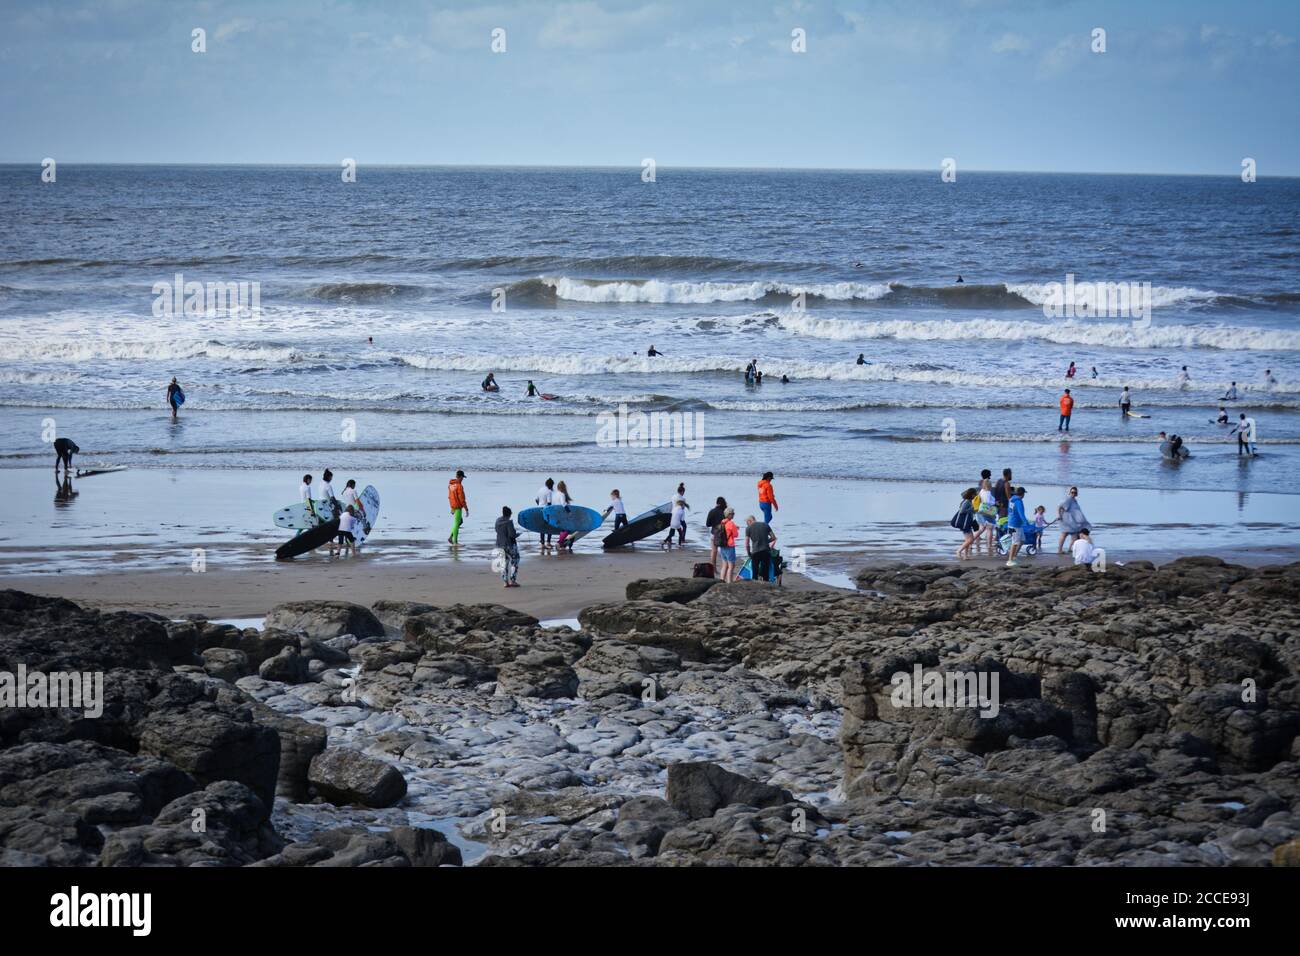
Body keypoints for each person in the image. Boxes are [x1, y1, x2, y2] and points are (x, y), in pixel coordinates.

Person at [744, 514, 777, 582]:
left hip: (755, 552)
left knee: (755, 572)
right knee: (765, 572)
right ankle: (766, 584)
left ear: (749, 521)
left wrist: (748, 552)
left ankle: (755, 584)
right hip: (765, 551)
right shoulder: (765, 525)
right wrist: (765, 541)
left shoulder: (748, 528)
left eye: (747, 523)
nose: (747, 525)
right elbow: (773, 537)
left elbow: (747, 543)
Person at [1057, 486, 1088, 554]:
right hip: (1066, 520)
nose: (1073, 493)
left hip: (1071, 521)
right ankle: (1059, 550)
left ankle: (1070, 549)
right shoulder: (1068, 499)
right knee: (1064, 534)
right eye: (1072, 492)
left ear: (1076, 494)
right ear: (1070, 493)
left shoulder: (1074, 500)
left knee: (1074, 535)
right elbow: (1059, 506)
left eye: (1075, 492)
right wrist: (1059, 515)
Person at [495, 506, 520, 587]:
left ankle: (505, 582)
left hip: (499, 544)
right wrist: (517, 534)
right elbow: (512, 535)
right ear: (509, 514)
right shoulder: (509, 522)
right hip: (509, 545)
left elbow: (496, 530)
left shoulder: (498, 521)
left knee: (504, 563)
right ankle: (513, 580)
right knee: (515, 561)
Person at [1004, 486, 1029, 566]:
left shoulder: (1011, 499)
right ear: (1022, 494)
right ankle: (1010, 560)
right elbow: (1021, 513)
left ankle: (1014, 556)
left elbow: (1009, 511)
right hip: (1015, 525)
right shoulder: (1018, 502)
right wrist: (1026, 522)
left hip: (1014, 523)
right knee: (1015, 542)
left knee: (1022, 540)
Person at [952, 487, 979, 560]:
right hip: (964, 523)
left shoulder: (969, 501)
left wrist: (974, 509)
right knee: (970, 540)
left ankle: (965, 555)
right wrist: (972, 509)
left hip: (967, 523)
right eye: (975, 494)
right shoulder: (966, 501)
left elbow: (971, 511)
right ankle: (959, 551)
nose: (976, 495)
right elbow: (961, 511)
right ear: (972, 495)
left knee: (968, 539)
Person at [974, 474, 997, 554]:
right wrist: (994, 503)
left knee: (981, 529)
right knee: (990, 529)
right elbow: (987, 503)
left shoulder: (981, 491)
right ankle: (989, 545)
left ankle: (970, 541)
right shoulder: (987, 492)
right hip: (987, 512)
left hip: (980, 512)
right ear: (989, 485)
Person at [718, 508, 740, 582]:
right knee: (731, 566)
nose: (733, 515)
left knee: (724, 565)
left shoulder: (722, 522)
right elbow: (736, 535)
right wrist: (736, 529)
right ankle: (729, 582)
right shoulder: (731, 523)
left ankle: (721, 580)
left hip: (722, 545)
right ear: (729, 515)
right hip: (729, 546)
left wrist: (734, 528)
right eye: (732, 514)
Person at [447, 470, 468, 545]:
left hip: (453, 506)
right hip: (458, 507)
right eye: (462, 478)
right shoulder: (459, 486)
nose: (462, 479)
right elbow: (462, 499)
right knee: (456, 523)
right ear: (460, 477)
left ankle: (450, 538)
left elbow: (450, 497)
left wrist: (452, 507)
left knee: (459, 522)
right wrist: (466, 509)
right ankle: (455, 542)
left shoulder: (450, 485)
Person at [553, 480, 574, 550]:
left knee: (562, 529)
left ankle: (561, 544)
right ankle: (559, 542)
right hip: (562, 514)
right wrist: (569, 512)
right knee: (567, 529)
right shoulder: (562, 494)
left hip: (555, 514)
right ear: (563, 487)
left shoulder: (555, 494)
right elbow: (563, 503)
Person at [535, 478, 555, 549]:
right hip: (546, 510)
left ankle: (542, 543)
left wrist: (539, 506)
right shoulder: (549, 491)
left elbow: (536, 499)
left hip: (539, 509)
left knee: (542, 527)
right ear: (551, 485)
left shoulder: (540, 489)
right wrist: (551, 511)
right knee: (550, 526)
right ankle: (548, 542)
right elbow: (549, 503)